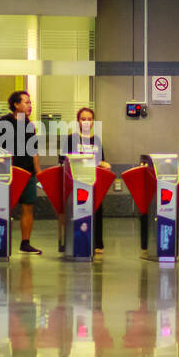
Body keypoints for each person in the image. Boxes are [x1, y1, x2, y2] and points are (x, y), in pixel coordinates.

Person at [0, 91, 42, 255]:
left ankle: (25, 243)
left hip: (28, 173)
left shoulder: (29, 124)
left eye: (30, 102)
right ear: (16, 105)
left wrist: (38, 171)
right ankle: (0, 241)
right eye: (26, 102)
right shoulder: (5, 121)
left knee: (28, 207)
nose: (29, 105)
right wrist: (0, 163)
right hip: (9, 173)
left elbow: (33, 150)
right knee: (4, 207)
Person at [63, 106, 110, 253]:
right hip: (75, 182)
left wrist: (104, 164)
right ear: (78, 121)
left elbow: (101, 160)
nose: (86, 122)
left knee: (96, 210)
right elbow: (62, 160)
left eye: (89, 119)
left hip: (93, 182)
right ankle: (74, 241)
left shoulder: (96, 140)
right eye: (83, 119)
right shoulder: (70, 139)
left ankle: (97, 244)